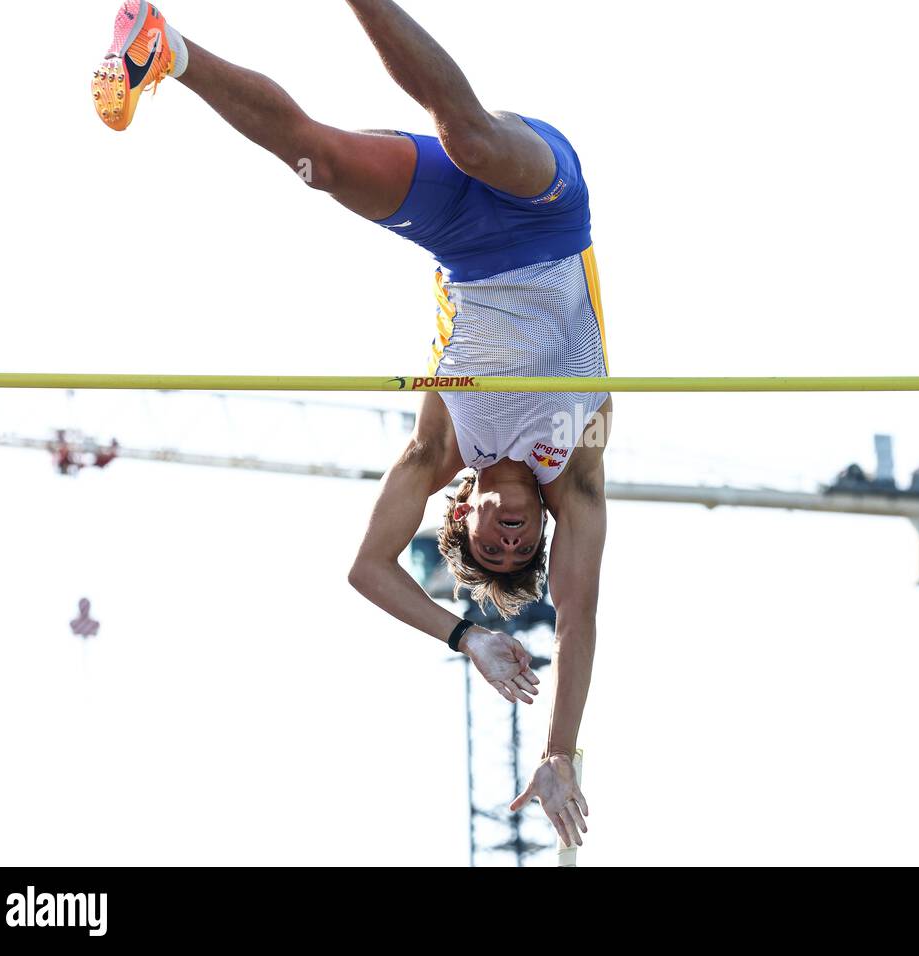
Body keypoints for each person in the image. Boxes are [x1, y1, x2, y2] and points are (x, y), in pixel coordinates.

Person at [92, 1, 608, 849]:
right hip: (551, 214)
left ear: (464, 510)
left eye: (492, 546)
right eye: (522, 550)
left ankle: (163, 46)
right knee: (474, 142)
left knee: (319, 161)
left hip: (463, 244)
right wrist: (560, 752)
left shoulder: (438, 450)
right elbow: (580, 619)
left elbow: (367, 568)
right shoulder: (578, 474)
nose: (511, 540)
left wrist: (466, 635)